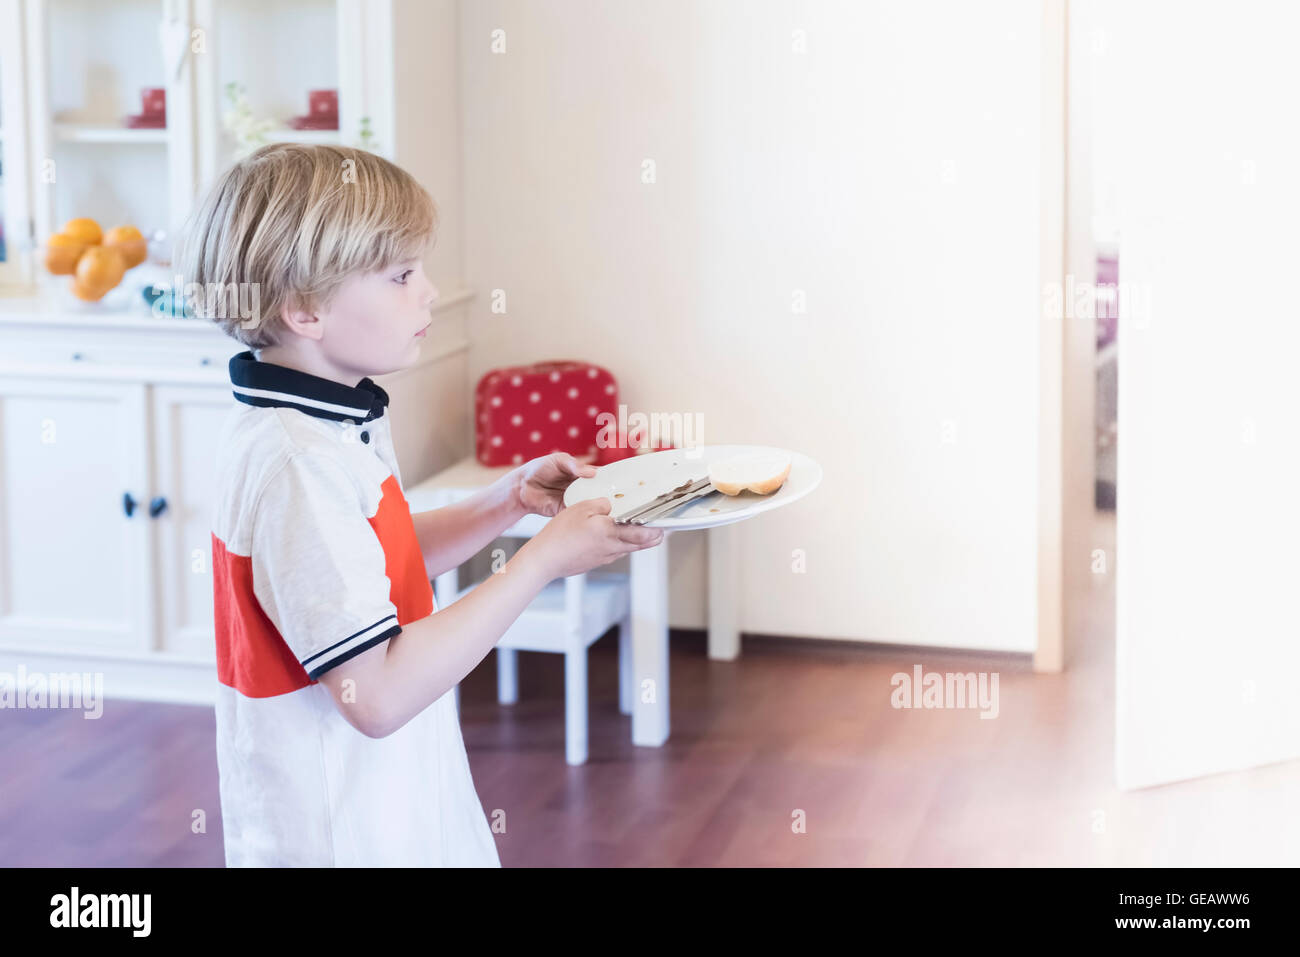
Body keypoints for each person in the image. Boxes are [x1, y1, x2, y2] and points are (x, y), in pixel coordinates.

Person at [176, 142, 663, 866]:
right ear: (305, 308)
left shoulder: (327, 422)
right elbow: (373, 694)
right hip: (346, 834)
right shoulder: (298, 463)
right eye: (402, 275)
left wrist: (506, 502)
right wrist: (539, 563)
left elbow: (372, 563)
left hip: (393, 805)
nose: (429, 292)